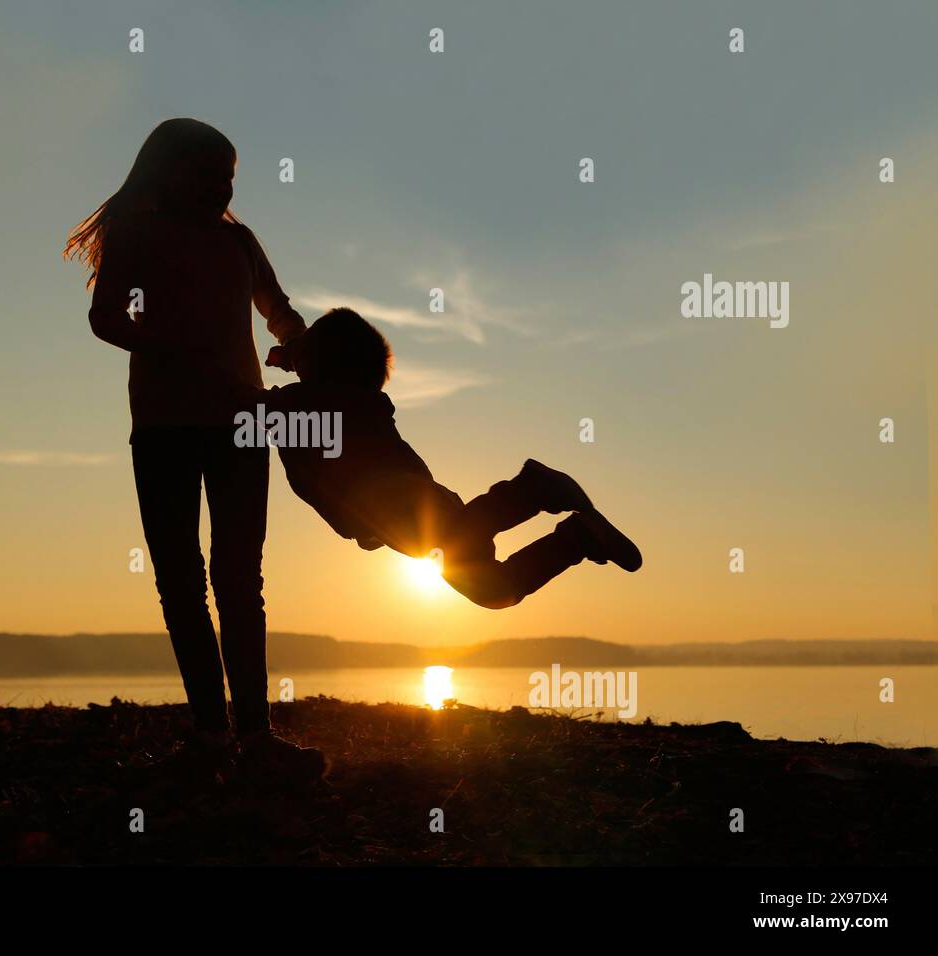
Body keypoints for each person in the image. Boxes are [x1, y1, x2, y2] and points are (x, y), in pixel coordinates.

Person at [65, 118, 325, 780]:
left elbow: (278, 309)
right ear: (167, 172)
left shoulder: (238, 242)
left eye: (229, 177)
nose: (220, 187)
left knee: (241, 579)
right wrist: (173, 352)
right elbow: (105, 318)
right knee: (181, 582)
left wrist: (299, 345)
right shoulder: (138, 236)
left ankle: (257, 737)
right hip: (163, 426)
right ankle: (212, 737)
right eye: (207, 174)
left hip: (242, 423)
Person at [258, 309, 642, 609]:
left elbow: (256, 408)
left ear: (323, 368)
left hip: (409, 509)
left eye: (307, 357)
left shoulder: (304, 405)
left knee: (466, 537)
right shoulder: (328, 400)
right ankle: (578, 539)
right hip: (406, 515)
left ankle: (533, 490)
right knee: (494, 590)